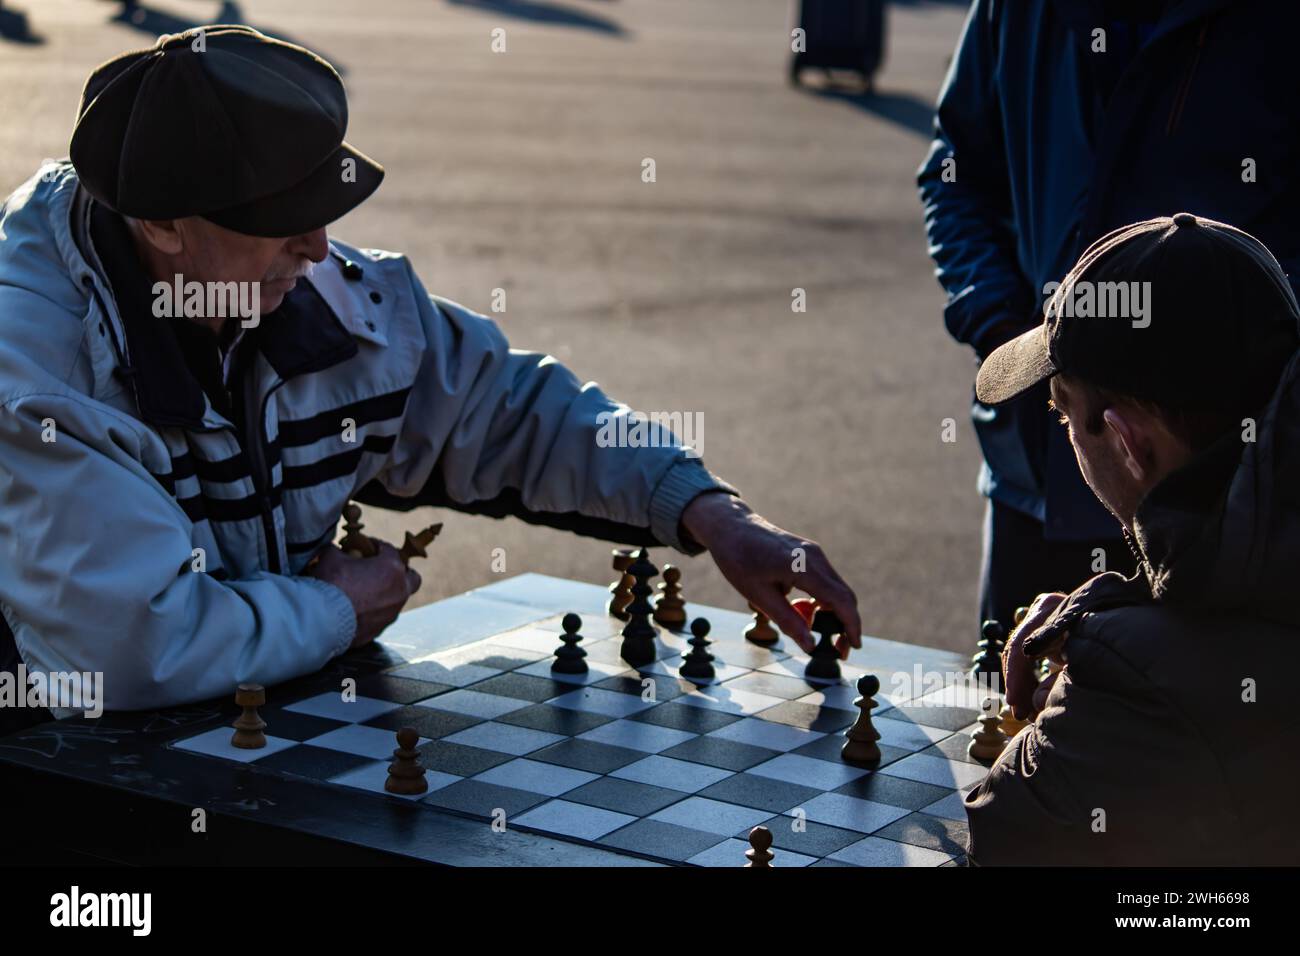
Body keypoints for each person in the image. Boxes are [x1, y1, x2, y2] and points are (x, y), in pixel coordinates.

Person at [0, 26, 860, 733]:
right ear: (162, 223)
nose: (319, 246)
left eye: (324, 208)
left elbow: (504, 411)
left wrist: (709, 512)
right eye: (283, 218)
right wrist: (331, 612)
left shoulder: (307, 291)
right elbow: (121, 648)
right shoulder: (38, 375)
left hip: (234, 740)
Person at [918, 0, 1300, 634]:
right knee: (1007, 707)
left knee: (1172, 713)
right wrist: (1006, 330)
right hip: (1034, 472)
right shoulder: (1015, 13)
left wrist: (1240, 379)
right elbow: (954, 173)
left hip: (1217, 495)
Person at [964, 213, 1300, 865]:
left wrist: (1114, 661)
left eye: (1064, 414)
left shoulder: (1138, 697)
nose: (1067, 438)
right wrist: (1125, 614)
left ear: (1126, 439)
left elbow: (1005, 839)